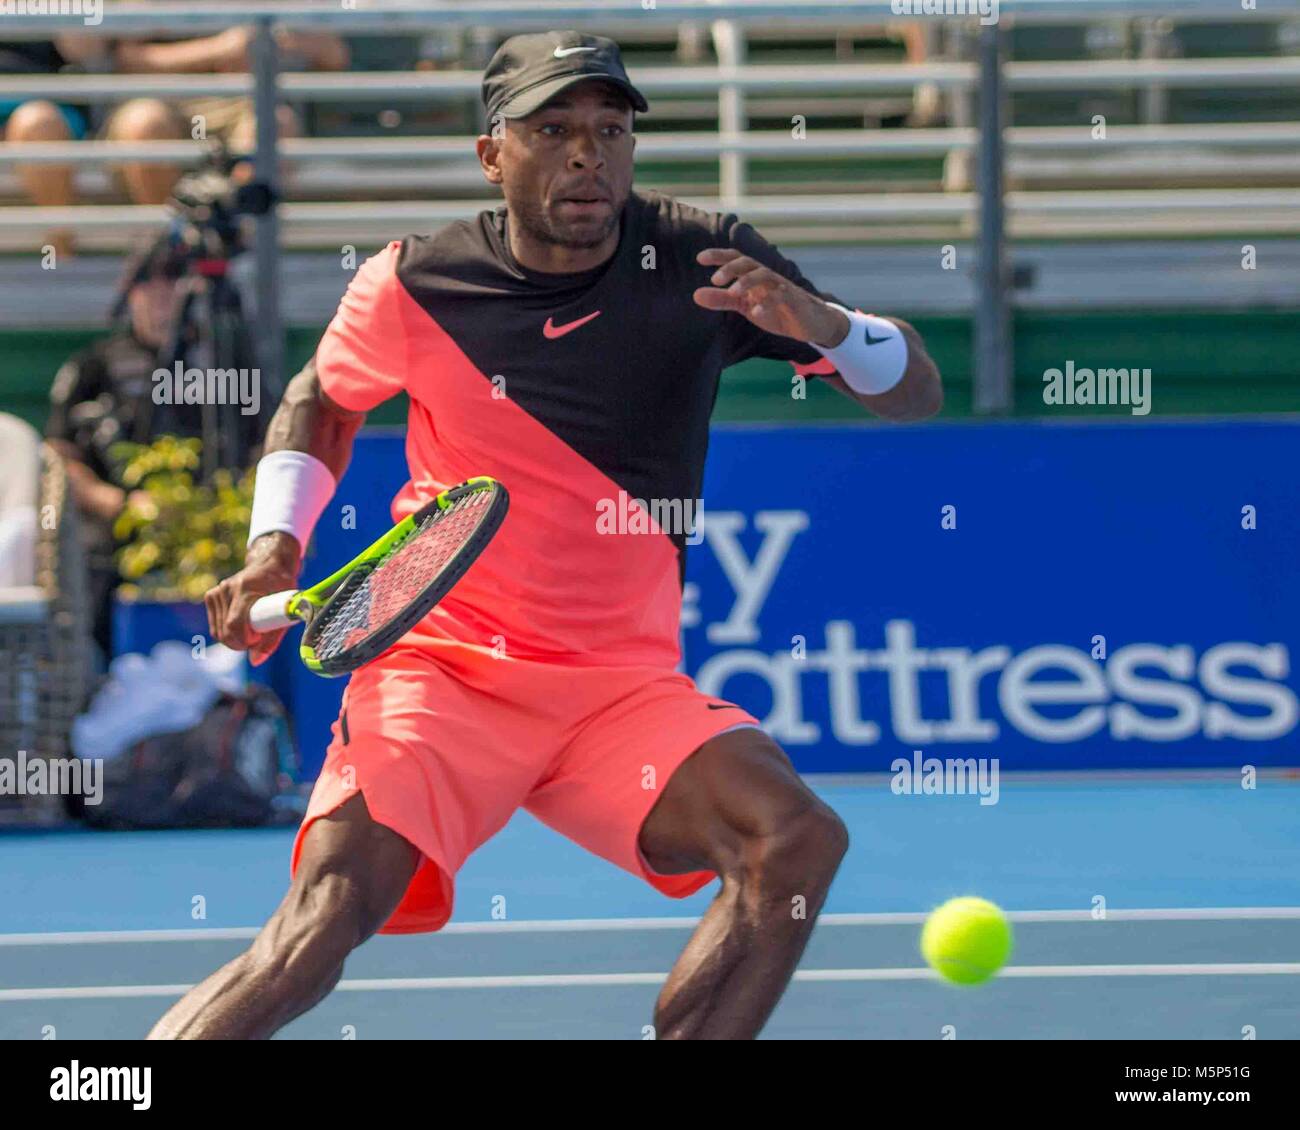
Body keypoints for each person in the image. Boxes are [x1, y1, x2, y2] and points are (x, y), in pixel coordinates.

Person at [151, 31, 942, 1041]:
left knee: (791, 838)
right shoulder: (416, 282)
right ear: (493, 154)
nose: (589, 155)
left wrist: (827, 327)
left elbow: (914, 391)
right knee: (324, 917)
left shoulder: (702, 260)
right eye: (554, 130)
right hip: (442, 671)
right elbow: (324, 399)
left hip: (616, 688)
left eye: (611, 131)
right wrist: (275, 546)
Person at [45, 237, 269, 655]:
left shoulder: (221, 362)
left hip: (210, 539)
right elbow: (57, 457)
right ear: (131, 293)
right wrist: (117, 503)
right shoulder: (94, 365)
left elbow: (265, 446)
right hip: (117, 538)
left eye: (174, 284)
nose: (163, 299)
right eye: (151, 285)